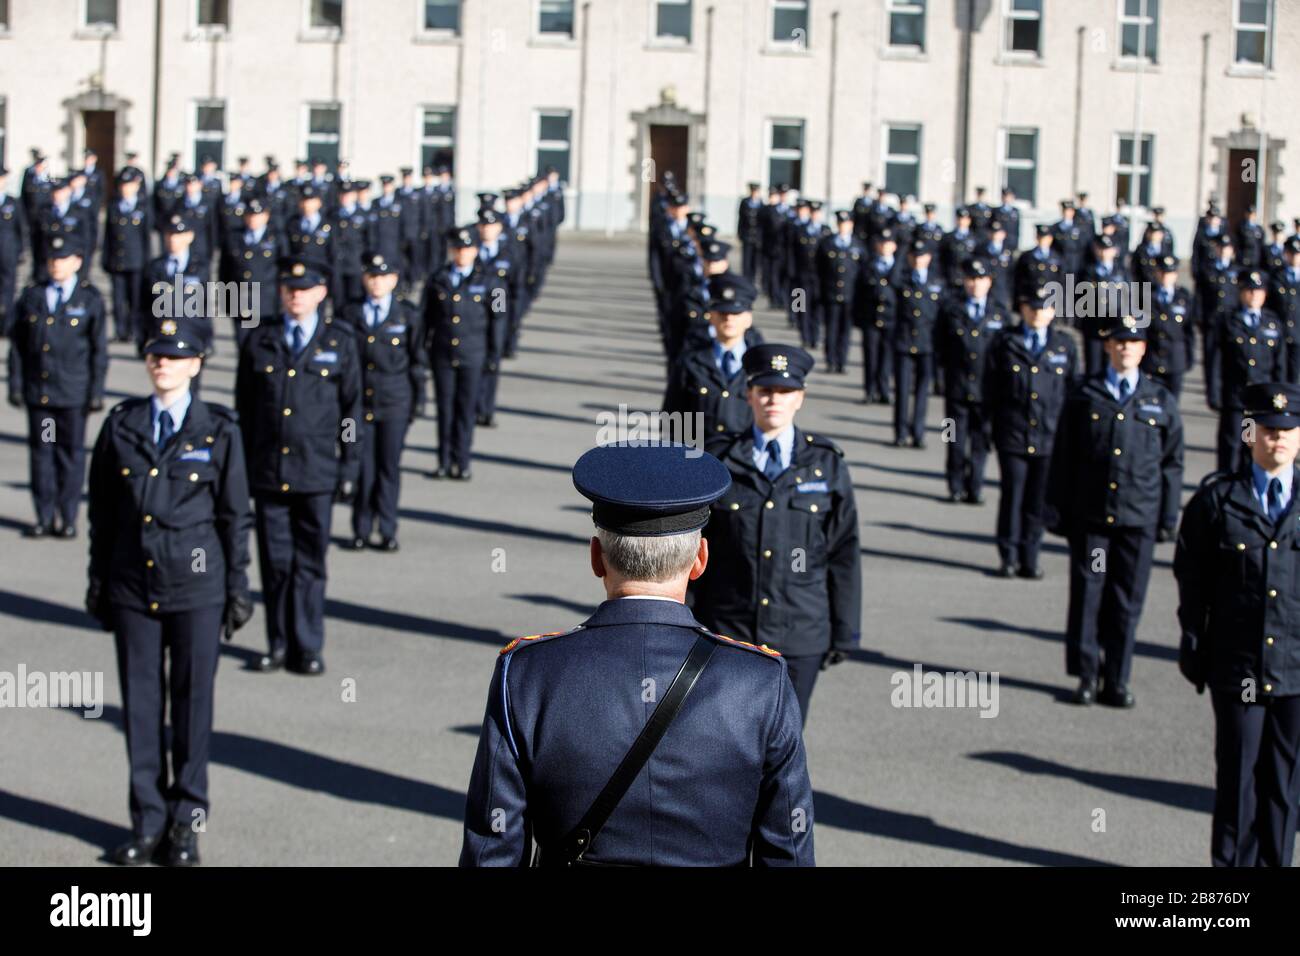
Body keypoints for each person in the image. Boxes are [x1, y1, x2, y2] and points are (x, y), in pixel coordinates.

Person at [459, 443, 815, 867]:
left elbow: (492, 851)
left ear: (596, 557)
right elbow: (788, 853)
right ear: (700, 560)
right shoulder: (761, 680)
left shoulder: (527, 673)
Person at [86, 316, 253, 867]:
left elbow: (233, 517)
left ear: (196, 365)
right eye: (156, 355)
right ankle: (147, 824)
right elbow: (104, 516)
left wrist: (237, 587)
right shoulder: (122, 425)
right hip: (134, 586)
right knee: (139, 710)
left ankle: (186, 827)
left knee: (191, 710)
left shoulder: (219, 430)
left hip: (196, 589)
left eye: (175, 357)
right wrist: (98, 581)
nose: (164, 364)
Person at [691, 344, 861, 725]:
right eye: (765, 391)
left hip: (800, 631)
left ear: (799, 398)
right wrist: (682, 619)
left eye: (784, 392)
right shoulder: (719, 461)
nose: (774, 400)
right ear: (749, 395)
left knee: (785, 747)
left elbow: (843, 551)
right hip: (729, 629)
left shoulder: (825, 465)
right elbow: (695, 551)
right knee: (728, 738)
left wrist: (845, 630)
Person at [1175, 381, 1300, 867]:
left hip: (1294, 667)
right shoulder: (1216, 503)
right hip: (1240, 668)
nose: (1279, 440)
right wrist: (1196, 647)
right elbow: (1192, 581)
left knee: (1284, 785)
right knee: (1238, 780)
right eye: (1269, 430)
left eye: (1289, 431)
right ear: (1250, 434)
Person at [235, 254, 361, 674]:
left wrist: (348, 468)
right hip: (269, 471)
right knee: (275, 562)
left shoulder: (339, 342)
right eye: (289, 289)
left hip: (317, 472)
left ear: (321, 293)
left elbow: (350, 414)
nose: (296, 296)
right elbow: (245, 410)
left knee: (309, 563)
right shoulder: (259, 338)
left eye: (304, 289)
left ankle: (308, 645)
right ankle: (277, 643)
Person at [1048, 318, 1184, 707]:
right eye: (1119, 342)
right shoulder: (1085, 394)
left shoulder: (1159, 400)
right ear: (1107, 346)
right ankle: (1086, 675)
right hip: (1093, 521)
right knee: (1089, 594)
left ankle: (1118, 678)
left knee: (1127, 600)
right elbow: (1064, 457)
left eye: (1134, 342)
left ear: (1143, 349)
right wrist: (1056, 509)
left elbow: (1172, 464)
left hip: (1137, 521)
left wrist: (1168, 518)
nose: (1126, 348)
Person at [7, 235, 107, 538]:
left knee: (70, 455)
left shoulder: (89, 299)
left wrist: (96, 392)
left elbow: (98, 351)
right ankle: (44, 515)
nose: (56, 265)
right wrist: (16, 384)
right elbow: (18, 347)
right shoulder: (32, 296)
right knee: (43, 454)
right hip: (43, 396)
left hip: (73, 396)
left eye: (62, 259)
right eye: (52, 260)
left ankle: (68, 515)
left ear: (77, 262)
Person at [986, 286, 1079, 578]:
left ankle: (1030, 557)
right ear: (1023, 309)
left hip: (1049, 436)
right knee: (1013, 495)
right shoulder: (1004, 342)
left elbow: (1073, 393)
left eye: (1044, 308)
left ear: (1053, 312)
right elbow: (990, 389)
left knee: (1038, 500)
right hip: (1013, 433)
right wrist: (990, 429)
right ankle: (1008, 556)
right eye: (1033, 307)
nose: (1038, 313)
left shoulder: (1064, 346)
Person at [342, 251, 426, 551]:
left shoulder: (407, 315)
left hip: (394, 403)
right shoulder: (349, 313)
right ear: (365, 278)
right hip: (359, 405)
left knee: (388, 468)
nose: (377, 282)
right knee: (363, 469)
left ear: (393, 280)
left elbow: (417, 361)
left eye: (383, 277)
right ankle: (361, 529)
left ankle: (388, 528)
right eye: (372, 276)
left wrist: (418, 402)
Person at [423, 225, 501, 480]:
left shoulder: (491, 281)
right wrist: (422, 351)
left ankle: (463, 461)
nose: (461, 253)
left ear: (475, 250)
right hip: (443, 354)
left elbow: (498, 321)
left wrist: (493, 356)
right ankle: (444, 461)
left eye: (467, 248)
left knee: (466, 410)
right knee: (445, 409)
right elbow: (426, 319)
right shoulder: (437, 279)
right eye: (457, 248)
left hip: (473, 354)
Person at [937, 258, 1008, 504]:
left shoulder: (999, 313)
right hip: (955, 389)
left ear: (989, 282)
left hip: (986, 392)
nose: (975, 285)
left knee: (981, 442)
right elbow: (940, 346)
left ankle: (975, 486)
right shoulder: (950, 308)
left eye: (980, 279)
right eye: (971, 279)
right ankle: (955, 484)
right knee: (953, 439)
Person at [1205, 270, 1287, 475]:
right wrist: (1214, 392)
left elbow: (1280, 365)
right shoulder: (1227, 321)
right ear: (1241, 292)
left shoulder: (1271, 323)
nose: (1254, 296)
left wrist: (1279, 398)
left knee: (1250, 446)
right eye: (1249, 291)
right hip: (1235, 399)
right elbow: (1214, 360)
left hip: (1258, 402)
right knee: (1231, 446)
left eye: (1258, 291)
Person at [891, 239, 943, 449]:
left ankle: (918, 431)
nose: (918, 260)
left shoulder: (936, 282)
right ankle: (901, 432)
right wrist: (901, 255)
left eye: (922, 256)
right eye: (914, 256)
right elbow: (891, 281)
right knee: (902, 390)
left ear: (928, 258)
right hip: (904, 341)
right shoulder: (901, 279)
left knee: (922, 392)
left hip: (927, 344)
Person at [102, 168, 153, 344]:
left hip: (136, 261)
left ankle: (134, 330)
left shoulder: (143, 207)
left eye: (130, 185)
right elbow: (108, 236)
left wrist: (147, 263)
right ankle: (120, 330)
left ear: (137, 186)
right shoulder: (114, 206)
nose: (126, 189)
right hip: (117, 261)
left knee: (135, 300)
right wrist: (105, 259)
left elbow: (146, 238)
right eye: (123, 185)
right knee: (117, 299)